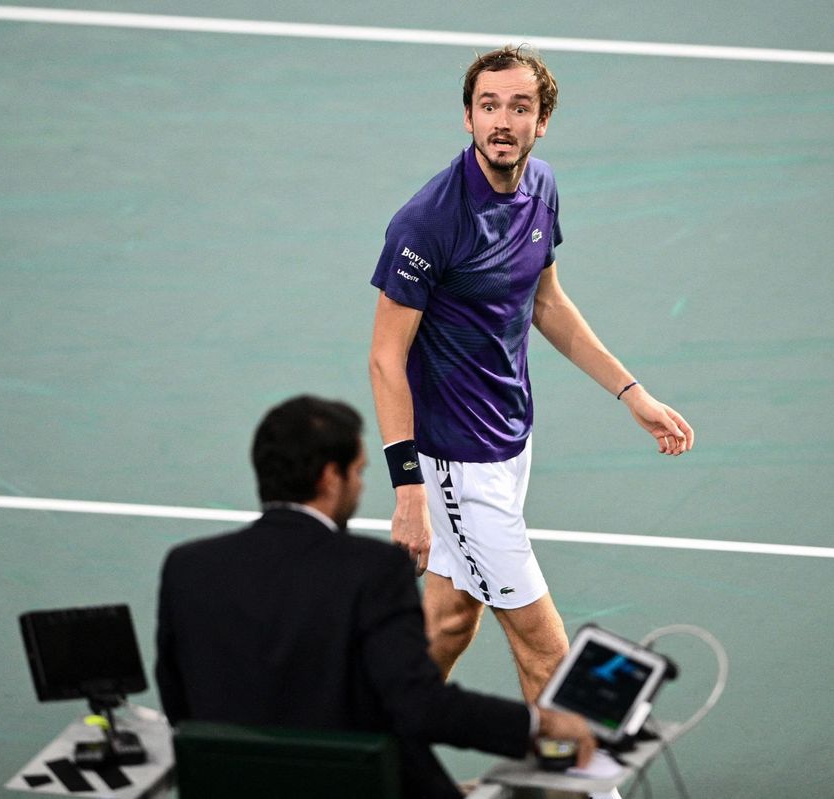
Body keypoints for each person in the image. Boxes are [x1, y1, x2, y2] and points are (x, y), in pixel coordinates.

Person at [368, 46, 696, 704]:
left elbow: (546, 302)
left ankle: (368, 754)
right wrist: (410, 494)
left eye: (520, 107)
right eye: (488, 105)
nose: (502, 120)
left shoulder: (541, 187)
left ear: (541, 121)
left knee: (450, 622)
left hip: (510, 445)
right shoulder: (427, 224)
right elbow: (385, 357)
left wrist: (632, 393)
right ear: (467, 117)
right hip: (456, 468)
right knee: (550, 656)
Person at [154, 395, 595, 799]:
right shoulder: (373, 570)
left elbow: (178, 703)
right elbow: (419, 706)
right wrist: (537, 724)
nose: (361, 487)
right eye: (359, 473)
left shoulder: (188, 568)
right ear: (331, 478)